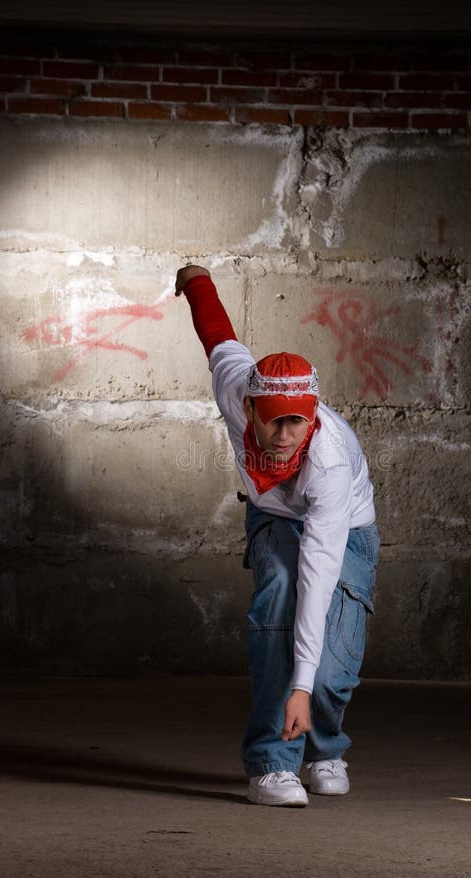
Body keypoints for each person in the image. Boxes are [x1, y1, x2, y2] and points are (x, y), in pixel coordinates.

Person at [175, 264, 379, 807]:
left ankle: (324, 747)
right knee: (278, 600)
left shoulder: (329, 461)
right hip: (271, 515)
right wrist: (195, 280)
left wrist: (304, 686)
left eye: (298, 422)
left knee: (331, 667)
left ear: (313, 416)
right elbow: (217, 336)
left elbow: (319, 569)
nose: (286, 436)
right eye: (273, 422)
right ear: (249, 409)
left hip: (342, 529)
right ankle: (271, 762)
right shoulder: (236, 387)